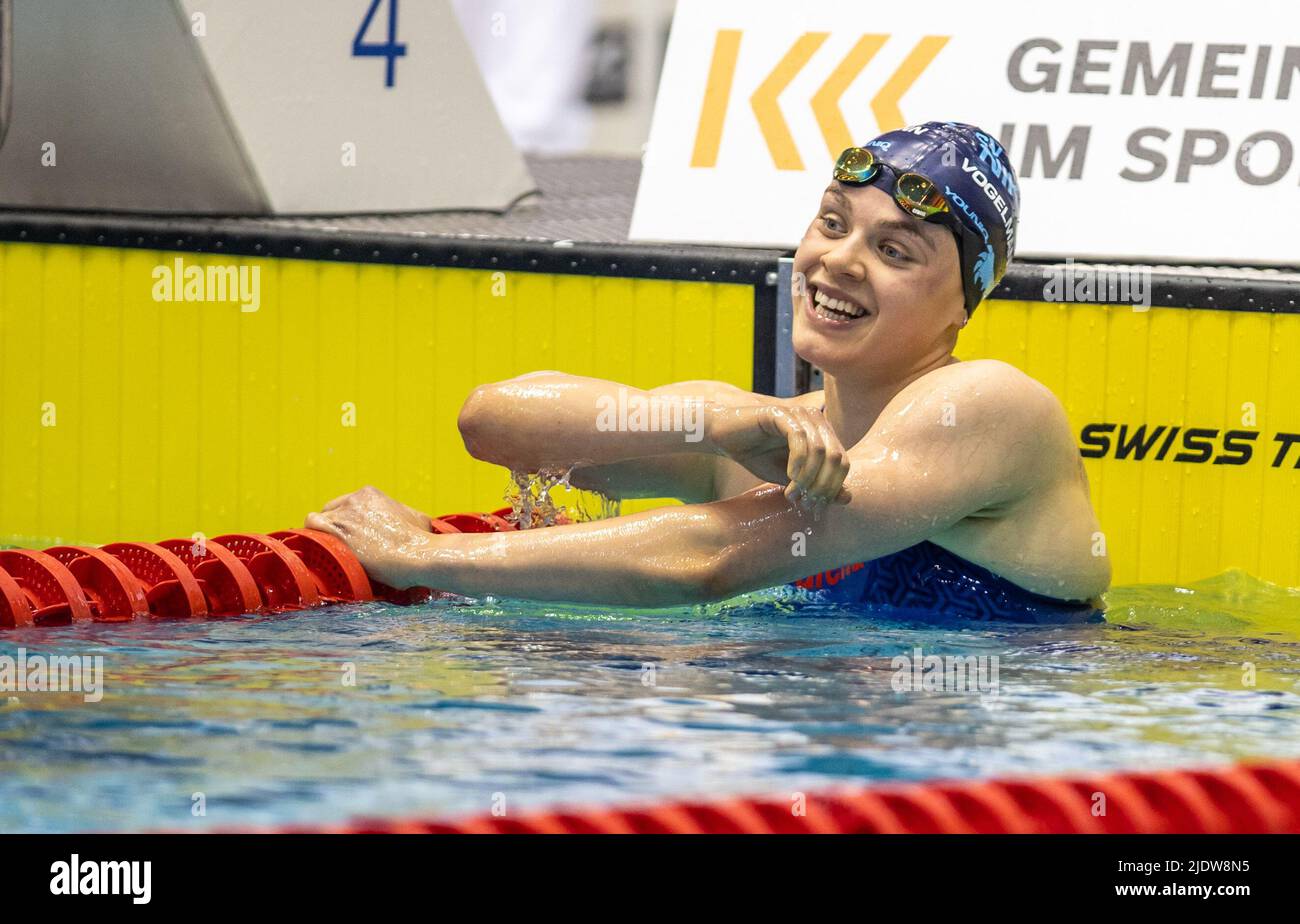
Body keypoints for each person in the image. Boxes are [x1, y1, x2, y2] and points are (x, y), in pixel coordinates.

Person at [307, 121, 1110, 622]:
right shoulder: (767, 432)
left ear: (962, 307)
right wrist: (711, 418)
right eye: (832, 223)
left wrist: (424, 559)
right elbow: (495, 422)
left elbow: (709, 562)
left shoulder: (987, 405)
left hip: (1009, 774)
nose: (840, 261)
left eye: (894, 251)